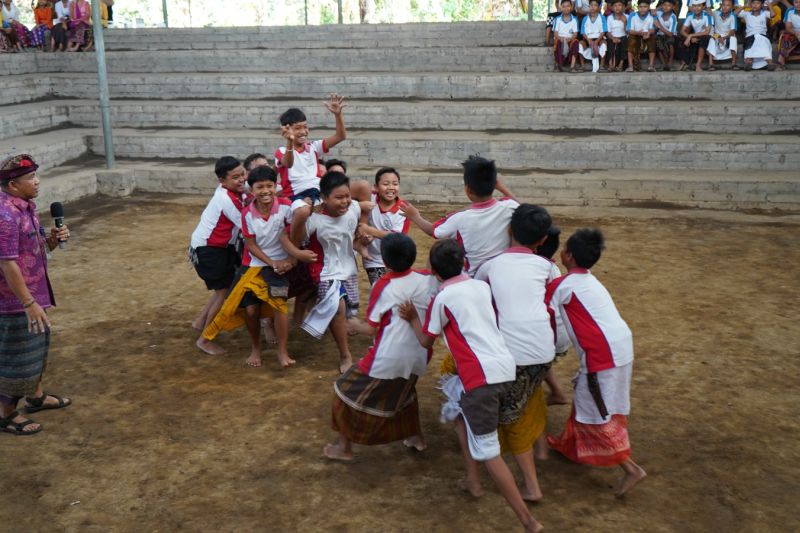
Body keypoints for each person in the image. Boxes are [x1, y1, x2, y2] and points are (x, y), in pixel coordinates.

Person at [400, 239, 543, 533]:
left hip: (480, 379)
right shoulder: (481, 286)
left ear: (434, 271)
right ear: (463, 262)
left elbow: (426, 340)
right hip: (505, 368)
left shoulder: (442, 298)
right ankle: (472, 481)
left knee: (489, 452)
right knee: (460, 417)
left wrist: (413, 318)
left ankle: (528, 521)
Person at [546, 228, 647, 497]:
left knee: (595, 411)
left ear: (568, 256)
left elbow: (538, 310)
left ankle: (631, 469)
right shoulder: (590, 280)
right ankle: (569, 447)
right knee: (588, 398)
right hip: (620, 346)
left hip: (602, 355)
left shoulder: (562, 286)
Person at [323, 233, 438, 461]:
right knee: (403, 392)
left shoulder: (383, 285)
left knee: (343, 392)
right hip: (420, 353)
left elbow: (371, 329)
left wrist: (353, 325)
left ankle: (343, 448)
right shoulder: (428, 278)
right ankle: (416, 438)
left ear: (384, 261)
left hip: (388, 356)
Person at [474, 204, 556, 504]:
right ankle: (542, 448)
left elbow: (480, 302)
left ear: (509, 230)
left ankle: (532, 486)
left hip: (512, 356)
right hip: (544, 352)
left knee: (512, 418)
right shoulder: (548, 268)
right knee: (529, 397)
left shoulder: (490, 266)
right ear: (543, 239)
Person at [201, 167, 316, 369]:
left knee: (279, 306)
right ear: (251, 190)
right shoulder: (247, 214)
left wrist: (290, 258)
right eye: (260, 187)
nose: (265, 191)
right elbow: (251, 245)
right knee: (251, 310)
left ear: (276, 186)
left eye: (269, 186)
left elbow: (301, 217)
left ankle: (283, 351)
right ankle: (255, 348)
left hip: (279, 266)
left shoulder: (286, 206)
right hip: (254, 265)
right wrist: (272, 263)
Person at [0, 154, 72, 436]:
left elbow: (33, 251)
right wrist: (28, 303)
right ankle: (6, 415)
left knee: (36, 350)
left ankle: (36, 397)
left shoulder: (25, 207)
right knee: (17, 357)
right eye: (31, 178)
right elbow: (7, 264)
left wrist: (51, 240)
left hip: (34, 295)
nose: (37, 181)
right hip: (15, 302)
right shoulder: (5, 216)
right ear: (13, 185)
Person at [291, 171, 365, 374]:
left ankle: (315, 304)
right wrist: (297, 252)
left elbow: (362, 214)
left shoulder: (354, 208)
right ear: (323, 197)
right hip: (324, 271)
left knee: (347, 309)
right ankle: (345, 355)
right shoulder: (313, 219)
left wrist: (363, 234)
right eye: (338, 197)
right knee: (337, 308)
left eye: (347, 196)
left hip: (348, 269)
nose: (345, 201)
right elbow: (295, 238)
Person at [400, 156, 519, 278]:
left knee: (439, 247)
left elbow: (433, 231)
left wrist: (415, 216)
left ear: (468, 190)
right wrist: (502, 187)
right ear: (494, 184)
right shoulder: (509, 207)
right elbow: (521, 207)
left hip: (474, 277)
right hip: (502, 273)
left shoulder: (460, 218)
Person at [189, 156, 249, 356]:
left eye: (243, 174)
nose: (242, 180)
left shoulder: (231, 191)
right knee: (224, 292)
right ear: (222, 180)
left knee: (221, 290)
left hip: (214, 247)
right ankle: (205, 339)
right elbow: (247, 226)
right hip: (210, 250)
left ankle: (200, 322)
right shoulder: (226, 199)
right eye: (236, 177)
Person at [275, 95, 348, 215]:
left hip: (318, 192)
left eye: (305, 127)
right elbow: (288, 163)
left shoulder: (314, 147)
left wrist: (338, 115)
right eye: (297, 128)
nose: (303, 131)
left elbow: (340, 136)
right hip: (296, 196)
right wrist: (290, 141)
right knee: (304, 210)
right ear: (286, 130)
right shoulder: (282, 150)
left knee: (360, 187)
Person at [535, 224, 571, 411]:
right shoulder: (552, 268)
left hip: (551, 335)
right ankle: (557, 392)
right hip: (561, 333)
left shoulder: (533, 269)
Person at [357, 167, 410, 286]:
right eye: (386, 184)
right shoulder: (369, 199)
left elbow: (396, 237)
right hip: (373, 260)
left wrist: (369, 230)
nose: (391, 187)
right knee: (380, 290)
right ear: (376, 187)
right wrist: (365, 237)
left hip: (395, 259)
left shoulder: (403, 209)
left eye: (395, 184)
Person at [736, 0, 778, 70]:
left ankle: (769, 63)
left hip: (762, 36)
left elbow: (773, 14)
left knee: (764, 42)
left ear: (762, 5)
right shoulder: (747, 14)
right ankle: (748, 63)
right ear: (750, 4)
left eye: (758, 3)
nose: (755, 5)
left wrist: (769, 5)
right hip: (750, 36)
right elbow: (735, 13)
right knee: (750, 47)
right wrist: (744, 6)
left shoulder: (764, 13)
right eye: (753, 3)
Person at [678, 0, 714, 71]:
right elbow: (682, 30)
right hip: (697, 35)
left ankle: (698, 65)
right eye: (694, 6)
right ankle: (684, 63)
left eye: (699, 6)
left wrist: (690, 35)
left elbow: (707, 32)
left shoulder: (707, 15)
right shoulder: (690, 15)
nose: (696, 8)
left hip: (709, 36)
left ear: (703, 7)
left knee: (703, 39)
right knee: (683, 40)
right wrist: (690, 38)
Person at [707, 0, 740, 69]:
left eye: (728, 5)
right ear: (721, 5)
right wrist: (718, 37)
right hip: (717, 36)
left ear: (732, 7)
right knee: (711, 40)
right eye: (723, 5)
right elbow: (708, 12)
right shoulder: (716, 13)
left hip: (727, 37)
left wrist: (724, 38)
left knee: (733, 39)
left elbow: (732, 31)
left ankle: (734, 64)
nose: (725, 7)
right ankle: (710, 64)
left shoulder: (732, 16)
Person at [626, 0, 657, 71]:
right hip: (635, 34)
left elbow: (653, 29)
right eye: (640, 7)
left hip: (647, 35)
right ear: (637, 7)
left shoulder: (652, 15)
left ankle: (651, 66)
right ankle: (630, 66)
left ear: (649, 7)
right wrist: (638, 33)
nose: (642, 9)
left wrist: (648, 33)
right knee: (631, 38)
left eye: (645, 7)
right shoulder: (632, 15)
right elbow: (628, 30)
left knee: (652, 38)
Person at [579, 0, 609, 72]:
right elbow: (583, 32)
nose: (593, 7)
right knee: (580, 45)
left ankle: (602, 65)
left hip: (599, 38)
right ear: (589, 6)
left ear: (598, 7)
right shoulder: (585, 18)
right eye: (591, 5)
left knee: (604, 44)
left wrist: (597, 41)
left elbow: (603, 31)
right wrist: (588, 40)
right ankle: (582, 66)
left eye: (595, 5)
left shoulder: (602, 17)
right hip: (588, 39)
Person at [552, 0, 581, 71]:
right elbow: (555, 33)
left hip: (570, 40)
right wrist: (560, 38)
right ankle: (559, 65)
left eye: (568, 6)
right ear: (561, 8)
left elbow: (575, 33)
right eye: (564, 6)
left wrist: (570, 39)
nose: (566, 8)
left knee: (576, 42)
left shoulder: (574, 19)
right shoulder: (557, 19)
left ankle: (572, 66)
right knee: (558, 42)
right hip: (560, 39)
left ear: (571, 7)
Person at [654, 0, 679, 70]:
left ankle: (670, 63)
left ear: (673, 7)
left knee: (670, 43)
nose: (666, 7)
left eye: (669, 5)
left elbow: (670, 34)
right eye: (664, 5)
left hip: (671, 35)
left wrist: (659, 26)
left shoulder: (673, 17)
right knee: (657, 43)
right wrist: (656, 10)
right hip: (660, 35)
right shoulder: (659, 13)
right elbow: (651, 11)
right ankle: (663, 64)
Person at [606, 0, 629, 70]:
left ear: (623, 7)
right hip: (612, 36)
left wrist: (625, 22)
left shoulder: (627, 17)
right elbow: (608, 32)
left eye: (619, 5)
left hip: (623, 36)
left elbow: (628, 32)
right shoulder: (609, 17)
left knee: (624, 40)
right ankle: (610, 64)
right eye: (615, 6)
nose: (617, 7)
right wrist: (613, 38)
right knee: (609, 41)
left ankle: (621, 65)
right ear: (612, 8)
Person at [777, 0, 800, 69]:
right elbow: (788, 27)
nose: (798, 4)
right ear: (793, 3)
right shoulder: (790, 11)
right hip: (795, 33)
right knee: (785, 36)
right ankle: (782, 59)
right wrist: (796, 33)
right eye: (796, 2)